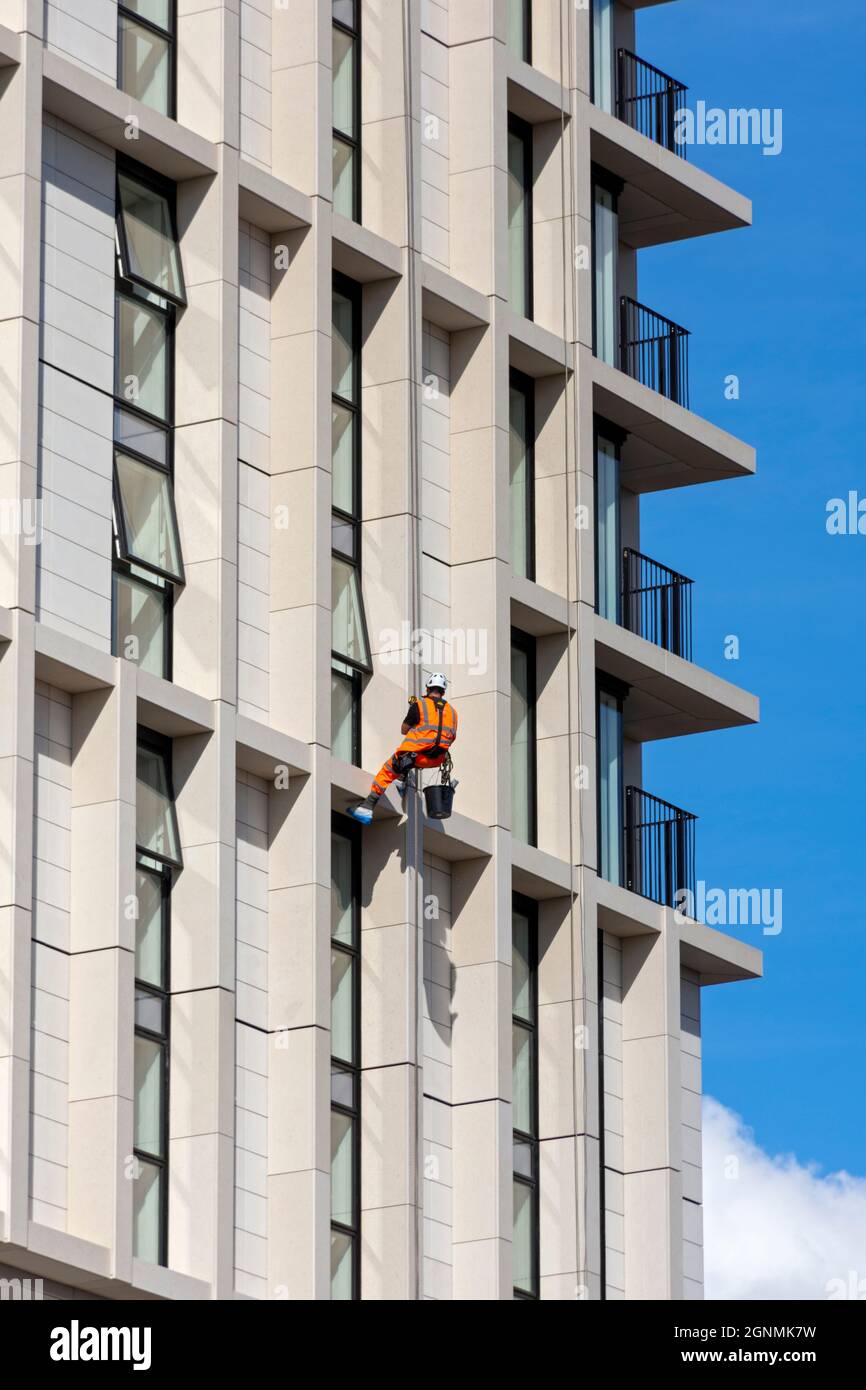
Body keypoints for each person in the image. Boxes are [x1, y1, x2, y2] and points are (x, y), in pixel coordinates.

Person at [349, 673, 457, 825]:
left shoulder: (420, 705)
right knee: (407, 760)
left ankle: (367, 806)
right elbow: (451, 737)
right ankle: (401, 780)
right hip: (435, 760)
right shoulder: (453, 712)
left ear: (427, 688)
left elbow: (404, 729)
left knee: (389, 768)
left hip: (416, 755)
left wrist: (415, 720)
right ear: (443, 692)